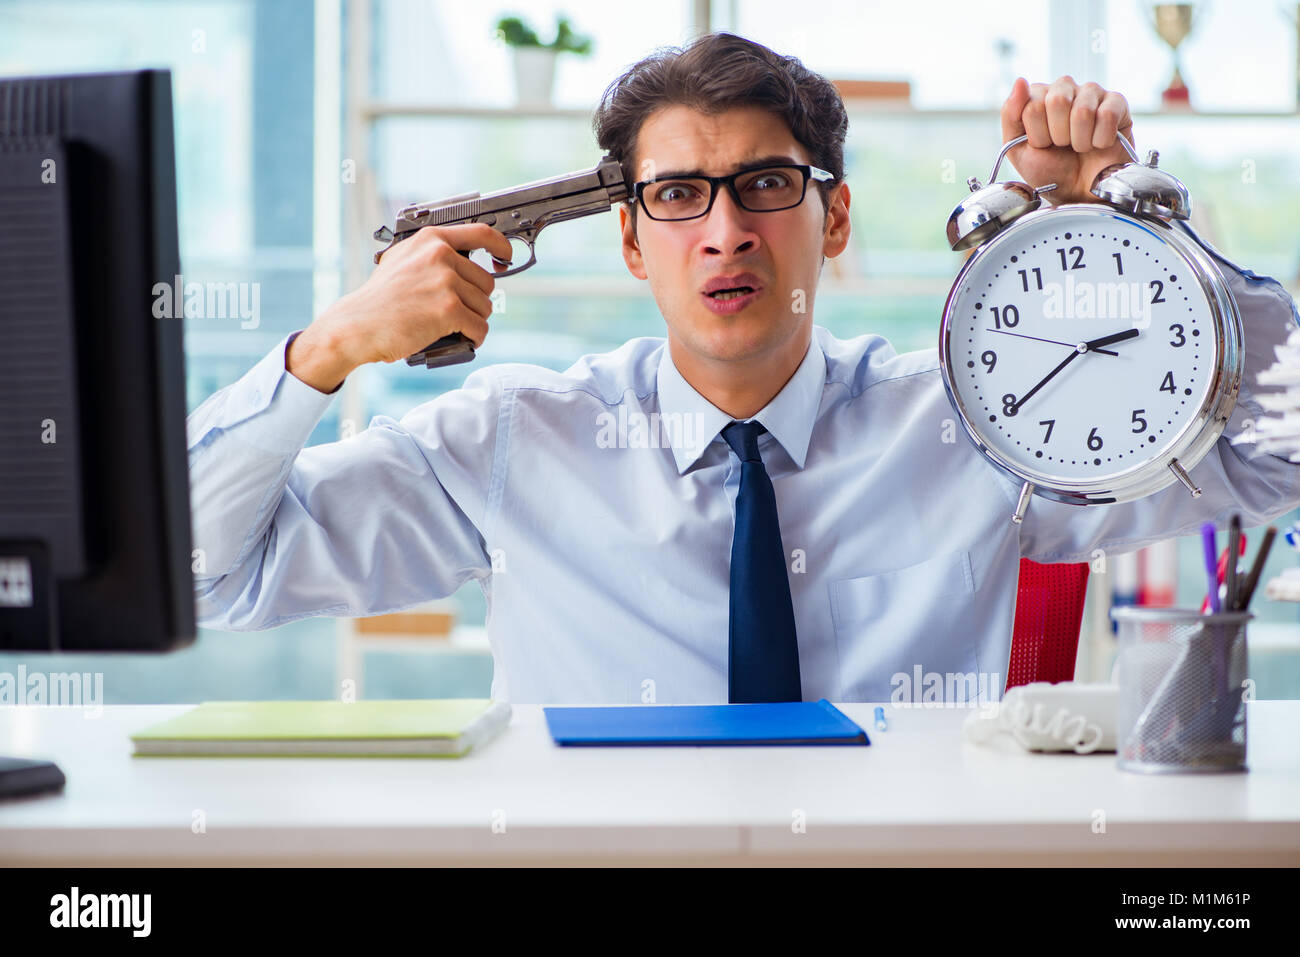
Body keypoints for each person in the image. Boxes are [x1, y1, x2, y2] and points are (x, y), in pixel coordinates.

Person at [187, 32, 1300, 704]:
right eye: (677, 196)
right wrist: (323, 352)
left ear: (836, 218)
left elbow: (1283, 452)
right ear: (630, 241)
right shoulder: (511, 440)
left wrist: (1130, 234)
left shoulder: (982, 426)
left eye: (767, 184)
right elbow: (206, 571)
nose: (723, 232)